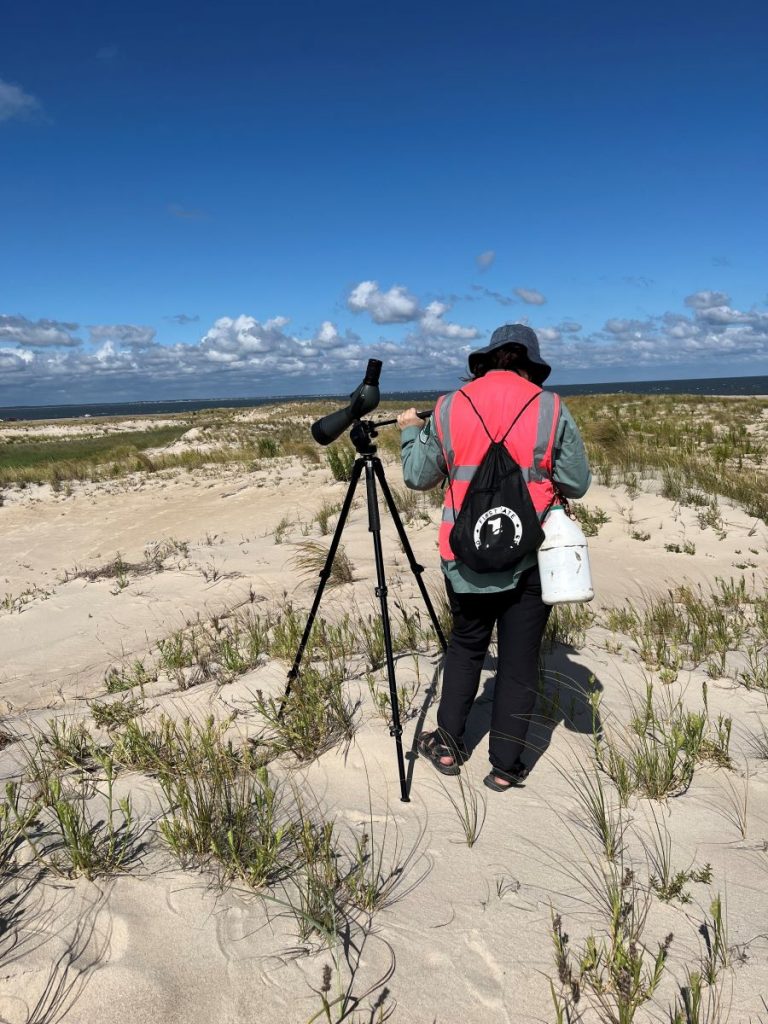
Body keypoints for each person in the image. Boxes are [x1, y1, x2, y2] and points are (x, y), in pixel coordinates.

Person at [396, 323, 591, 791]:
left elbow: (417, 477)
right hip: (531, 553)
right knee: (520, 659)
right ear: (530, 362)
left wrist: (409, 433)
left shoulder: (448, 406)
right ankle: (505, 767)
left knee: (466, 646)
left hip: (463, 555)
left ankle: (446, 745)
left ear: (486, 359)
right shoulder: (550, 407)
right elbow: (577, 483)